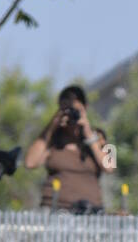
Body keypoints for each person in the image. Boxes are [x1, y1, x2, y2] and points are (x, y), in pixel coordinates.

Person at [24, 84, 113, 212]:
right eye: (66, 108)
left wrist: (88, 133)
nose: (71, 113)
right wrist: (52, 125)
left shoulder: (99, 135)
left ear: (85, 108)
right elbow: (29, 162)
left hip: (91, 211)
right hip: (55, 210)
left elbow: (110, 167)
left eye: (75, 109)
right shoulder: (53, 137)